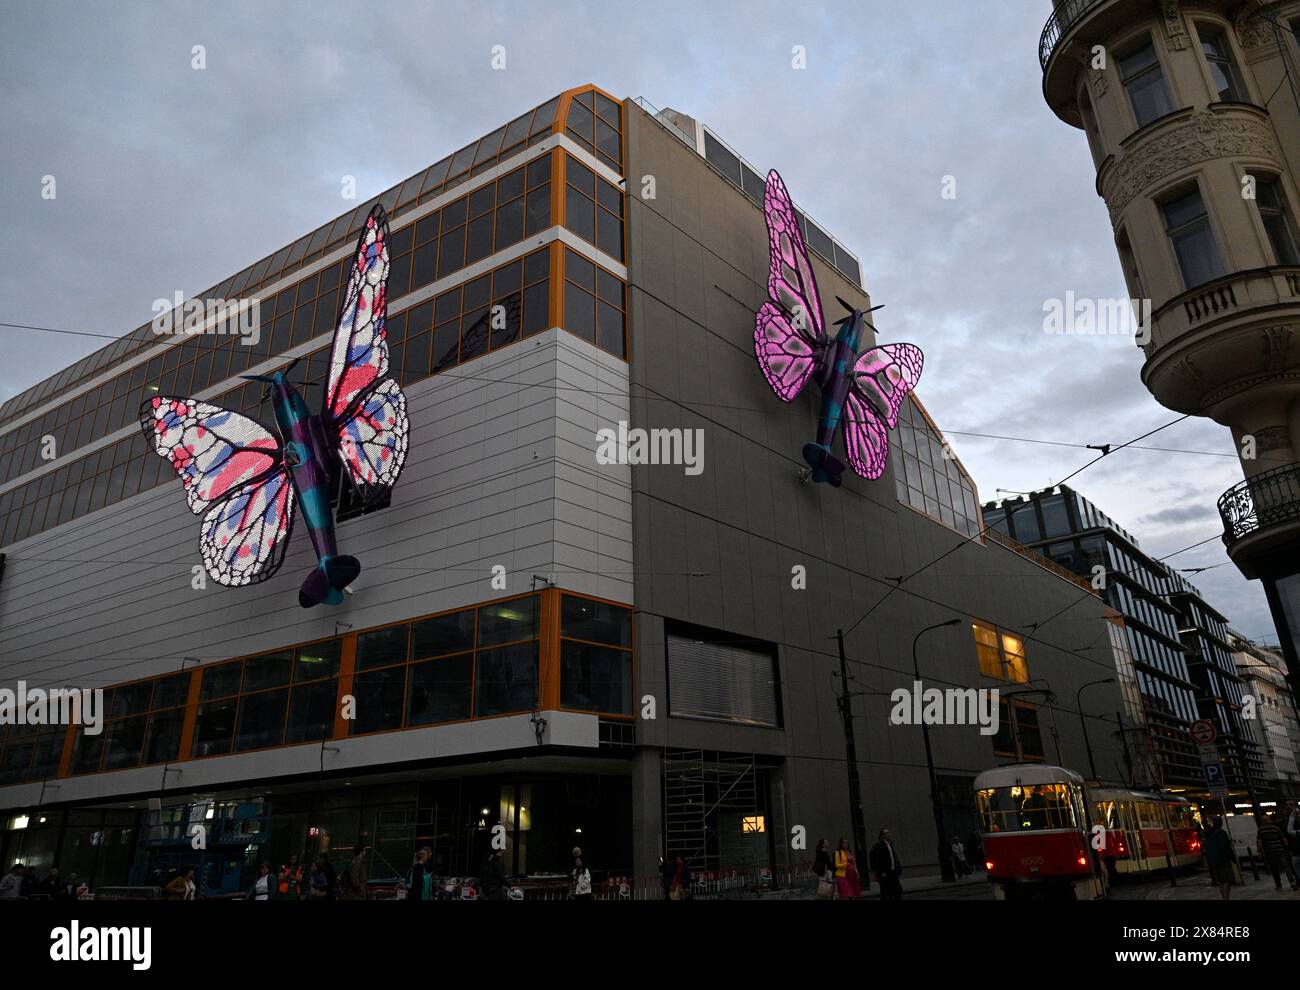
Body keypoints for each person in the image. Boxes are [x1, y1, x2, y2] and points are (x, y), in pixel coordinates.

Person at [1256, 813, 1298, 891]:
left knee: (1274, 869)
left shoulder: (1260, 830)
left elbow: (1259, 842)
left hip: (1270, 852)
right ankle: (1292, 883)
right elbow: (1284, 839)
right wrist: (1286, 848)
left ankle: (1278, 885)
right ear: (1269, 820)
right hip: (1280, 851)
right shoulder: (1276, 828)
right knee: (1287, 867)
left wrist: (1259, 851)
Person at [1204, 817, 1237, 901]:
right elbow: (1226, 848)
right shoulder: (1221, 833)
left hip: (1214, 861)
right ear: (1220, 823)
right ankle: (1226, 898)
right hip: (1223, 860)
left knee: (1220, 882)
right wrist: (1233, 858)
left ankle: (1223, 897)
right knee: (1226, 880)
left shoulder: (1208, 834)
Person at [870, 828, 904, 901]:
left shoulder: (890, 844)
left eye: (889, 832)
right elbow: (878, 860)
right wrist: (882, 872)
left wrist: (898, 868)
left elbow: (894, 857)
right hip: (885, 873)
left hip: (893, 871)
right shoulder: (880, 846)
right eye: (886, 833)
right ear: (882, 836)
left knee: (897, 890)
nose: (889, 834)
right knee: (886, 892)